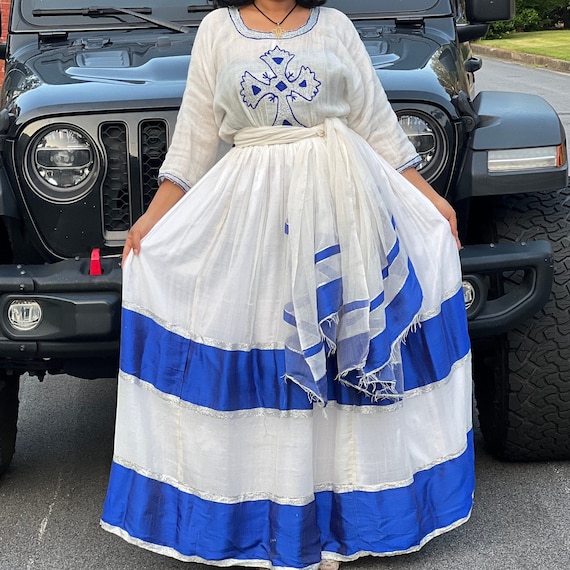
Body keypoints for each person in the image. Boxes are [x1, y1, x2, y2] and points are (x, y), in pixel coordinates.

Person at [100, 1, 475, 568]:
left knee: (338, 350)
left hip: (341, 208)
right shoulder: (216, 30)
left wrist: (432, 201)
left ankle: (346, 521)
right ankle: (275, 521)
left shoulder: (336, 26)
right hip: (254, 217)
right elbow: (195, 137)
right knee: (275, 357)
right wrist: (153, 219)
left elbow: (377, 124)